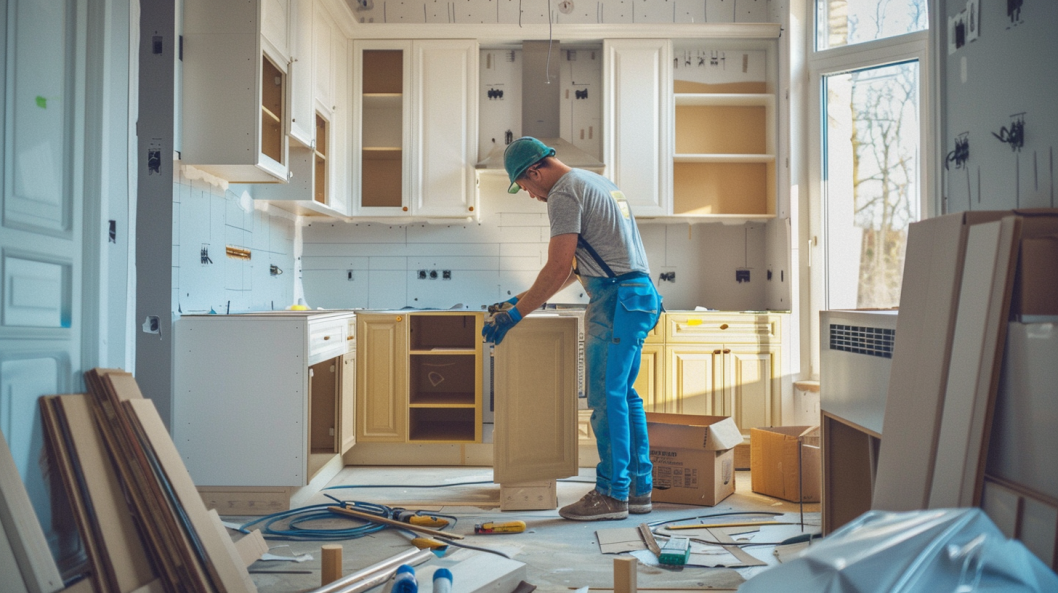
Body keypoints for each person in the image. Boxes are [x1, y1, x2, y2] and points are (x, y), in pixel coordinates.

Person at [482, 137, 663, 521]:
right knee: (624, 396)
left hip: (617, 300)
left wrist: (515, 316)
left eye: (526, 187)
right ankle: (637, 489)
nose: (530, 196)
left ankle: (611, 496)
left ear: (535, 171)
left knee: (606, 397)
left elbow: (559, 266)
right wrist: (521, 300)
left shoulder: (563, 193)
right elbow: (577, 267)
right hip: (636, 296)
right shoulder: (597, 183)